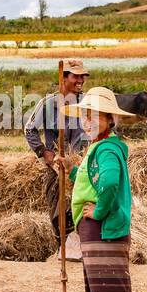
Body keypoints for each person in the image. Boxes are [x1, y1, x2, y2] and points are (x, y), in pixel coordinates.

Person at [62, 87, 137, 292]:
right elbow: (92, 182)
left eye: (94, 115)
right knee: (104, 289)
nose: (87, 120)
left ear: (109, 118)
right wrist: (69, 170)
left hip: (104, 228)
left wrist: (100, 210)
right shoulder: (100, 146)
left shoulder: (106, 149)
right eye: (84, 114)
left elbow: (108, 183)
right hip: (99, 229)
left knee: (107, 290)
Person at [24, 58, 90, 243]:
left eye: (82, 77)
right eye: (75, 76)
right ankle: (61, 245)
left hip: (83, 165)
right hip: (56, 166)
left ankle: (83, 245)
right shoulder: (48, 103)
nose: (80, 81)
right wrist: (44, 152)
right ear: (63, 78)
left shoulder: (88, 103)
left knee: (85, 207)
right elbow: (29, 129)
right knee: (58, 210)